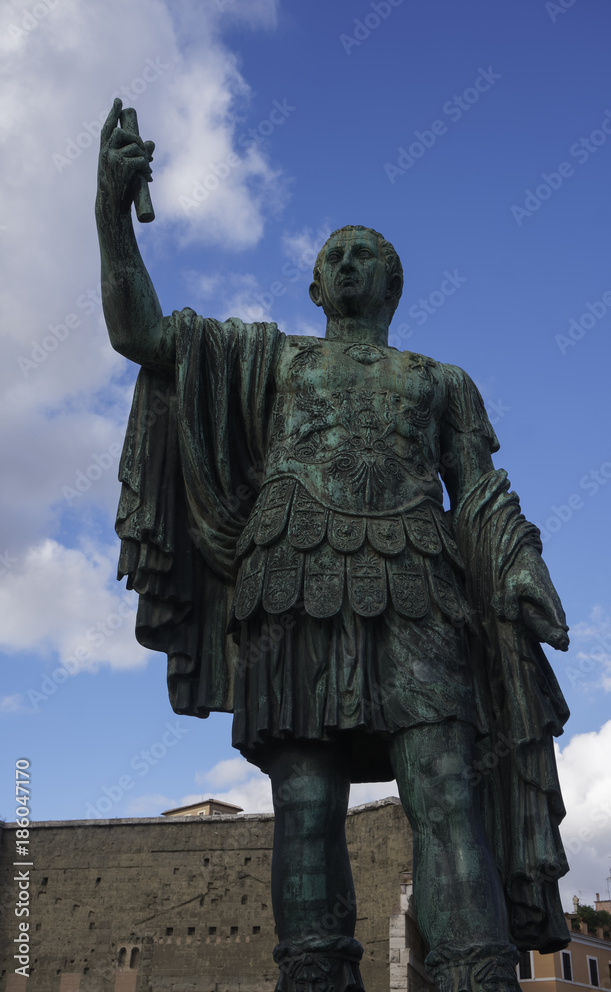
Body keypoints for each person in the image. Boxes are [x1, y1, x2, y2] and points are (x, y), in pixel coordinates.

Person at [96, 99, 572, 992]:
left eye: (368, 254)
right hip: (291, 577)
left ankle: (476, 971)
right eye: (334, 255)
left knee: (442, 788)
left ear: (394, 286)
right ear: (314, 288)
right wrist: (110, 214)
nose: (349, 263)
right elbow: (144, 337)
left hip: (421, 586)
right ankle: (313, 973)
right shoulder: (269, 359)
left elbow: (478, 492)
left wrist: (518, 565)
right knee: (304, 802)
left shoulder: (442, 382)